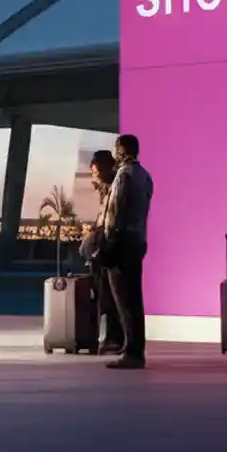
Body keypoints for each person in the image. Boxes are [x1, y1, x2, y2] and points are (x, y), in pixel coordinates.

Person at [99, 134, 154, 370]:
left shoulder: (124, 175)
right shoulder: (145, 176)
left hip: (122, 244)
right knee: (134, 297)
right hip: (138, 240)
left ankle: (132, 352)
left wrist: (110, 242)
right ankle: (134, 347)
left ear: (122, 150)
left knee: (124, 298)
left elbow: (117, 211)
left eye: (116, 150)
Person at [81, 150, 124, 354]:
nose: (93, 172)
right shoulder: (108, 189)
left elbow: (113, 220)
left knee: (112, 296)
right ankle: (111, 337)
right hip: (104, 249)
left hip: (110, 249)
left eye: (95, 168)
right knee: (106, 295)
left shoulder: (116, 187)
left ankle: (115, 339)